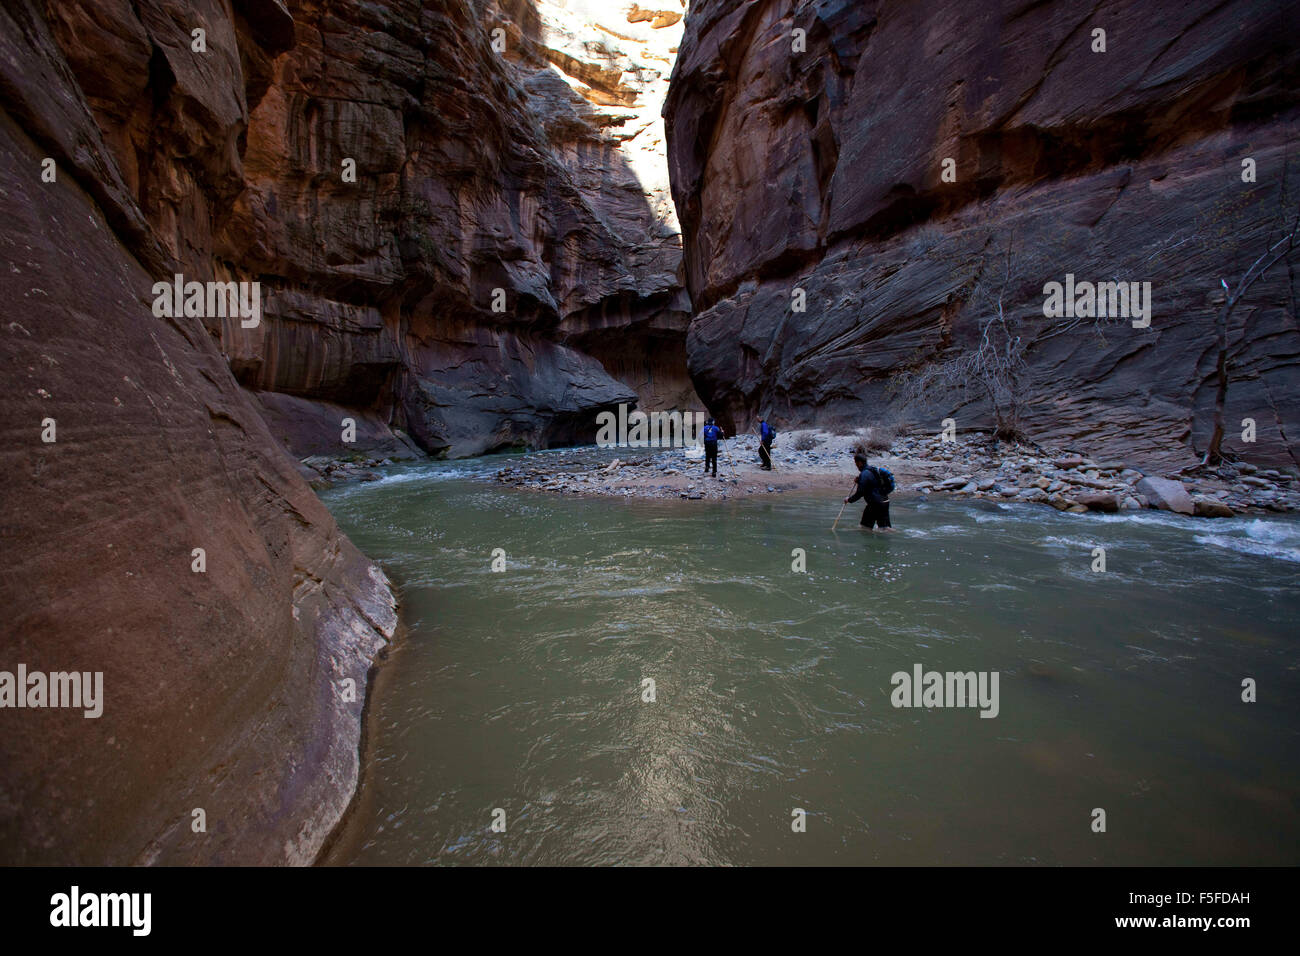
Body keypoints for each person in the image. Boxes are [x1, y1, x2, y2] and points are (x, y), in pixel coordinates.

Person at [845, 453, 893, 530]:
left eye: (856, 463)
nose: (856, 466)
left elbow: (860, 493)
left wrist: (849, 500)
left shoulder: (864, 474)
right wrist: (859, 481)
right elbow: (872, 484)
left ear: (860, 463)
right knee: (885, 528)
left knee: (865, 528)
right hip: (884, 501)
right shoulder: (872, 470)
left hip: (875, 504)